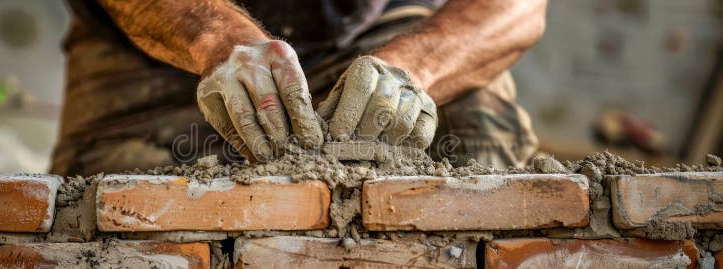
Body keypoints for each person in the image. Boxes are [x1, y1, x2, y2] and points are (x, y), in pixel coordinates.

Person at [51, 0, 545, 176]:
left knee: (475, 138)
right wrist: (214, 37)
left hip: (380, 29)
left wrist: (416, 68)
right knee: (109, 213)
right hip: (156, 44)